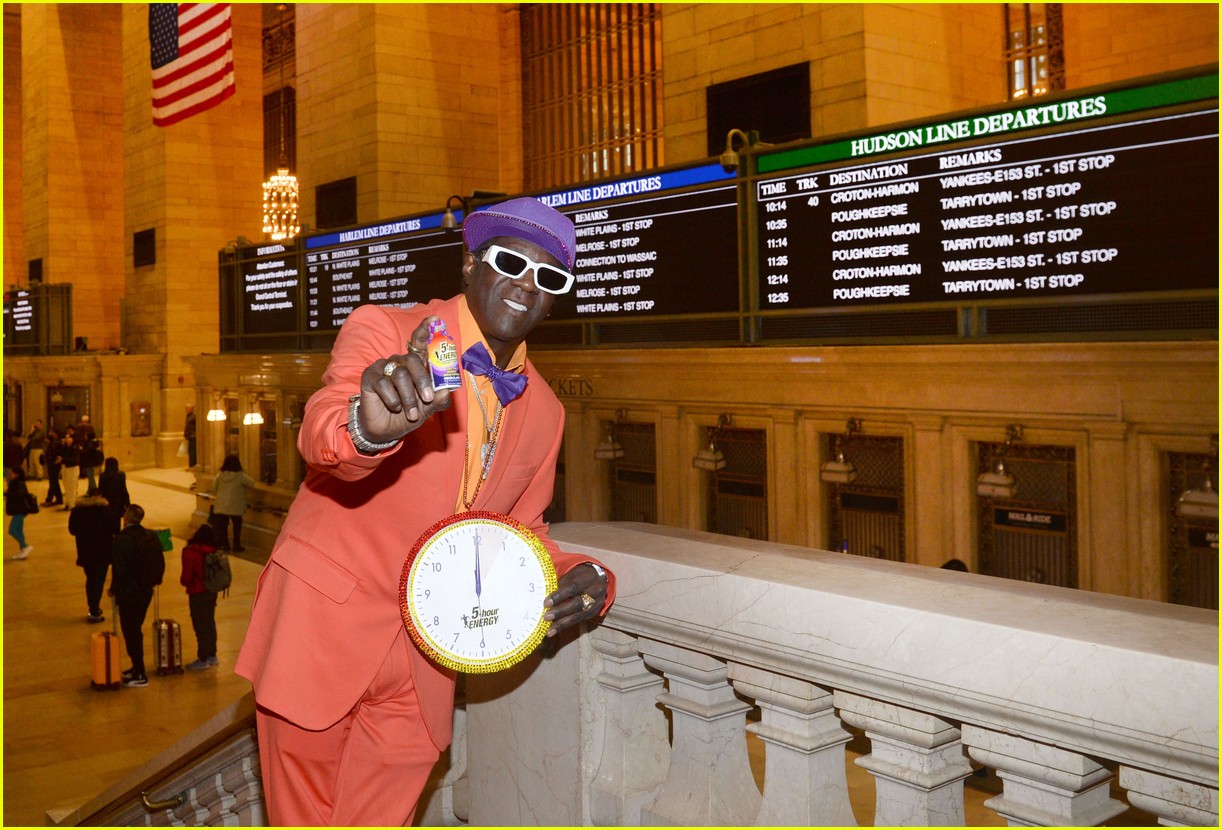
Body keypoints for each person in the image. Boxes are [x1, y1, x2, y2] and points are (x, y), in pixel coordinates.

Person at [235, 197, 616, 826]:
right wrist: (369, 426)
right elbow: (322, 433)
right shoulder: (385, 330)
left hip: (427, 664)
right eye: (510, 261)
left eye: (549, 278)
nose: (527, 285)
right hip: (321, 630)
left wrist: (590, 576)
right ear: (469, 264)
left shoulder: (546, 411)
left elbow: (519, 534)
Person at [109, 503, 163, 688]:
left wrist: (114, 589)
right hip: (146, 590)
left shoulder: (123, 539)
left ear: (126, 518)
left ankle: (139, 672)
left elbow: (119, 569)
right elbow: (160, 561)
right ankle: (135, 667)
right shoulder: (150, 536)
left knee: (131, 632)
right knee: (135, 628)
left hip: (129, 593)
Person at [68, 487, 115, 622]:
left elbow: (72, 530)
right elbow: (113, 527)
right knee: (98, 581)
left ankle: (93, 607)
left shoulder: (78, 510)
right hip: (103, 551)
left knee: (91, 579)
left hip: (85, 551)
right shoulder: (105, 510)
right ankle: (94, 610)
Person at [180, 523, 221, 671]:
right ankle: (212, 655)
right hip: (211, 591)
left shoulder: (190, 552)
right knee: (209, 622)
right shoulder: (214, 551)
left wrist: (185, 583)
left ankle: (202, 658)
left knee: (200, 625)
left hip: (197, 592)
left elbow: (186, 577)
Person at [210, 454, 255, 552]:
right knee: (237, 526)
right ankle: (236, 544)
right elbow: (251, 483)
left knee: (223, 527)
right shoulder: (240, 476)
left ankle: (225, 545)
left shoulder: (220, 475)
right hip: (235, 506)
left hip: (221, 505)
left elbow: (213, 487)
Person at [5, 466, 34, 560]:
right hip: (19, 510)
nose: (9, 475)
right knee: (19, 530)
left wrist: (7, 494)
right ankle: (22, 550)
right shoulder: (17, 483)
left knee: (12, 530)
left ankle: (25, 546)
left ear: (16, 474)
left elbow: (18, 496)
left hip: (20, 510)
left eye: (11, 473)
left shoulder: (17, 483)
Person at [97, 457, 131, 535]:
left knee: (107, 527)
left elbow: (101, 491)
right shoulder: (120, 475)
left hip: (107, 504)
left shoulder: (102, 476)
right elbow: (124, 490)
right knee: (117, 526)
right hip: (118, 504)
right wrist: (127, 504)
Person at [56, 432, 81, 511]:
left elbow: (74, 460)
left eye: (69, 438)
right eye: (66, 438)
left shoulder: (75, 448)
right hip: (66, 468)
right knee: (67, 487)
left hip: (73, 469)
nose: (67, 440)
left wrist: (63, 460)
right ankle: (67, 503)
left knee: (72, 487)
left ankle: (72, 504)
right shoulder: (65, 448)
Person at [41, 430, 63, 507]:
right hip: (51, 463)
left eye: (51, 433)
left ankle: (49, 499)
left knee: (53, 482)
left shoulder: (57, 443)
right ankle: (59, 498)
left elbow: (57, 453)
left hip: (55, 464)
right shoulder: (52, 442)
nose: (49, 434)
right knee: (54, 481)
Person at [184, 404, 197, 469]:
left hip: (193, 436)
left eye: (187, 408)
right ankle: (191, 465)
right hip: (189, 436)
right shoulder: (188, 416)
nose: (186, 410)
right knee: (190, 451)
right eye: (186, 408)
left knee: (193, 451)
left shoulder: (194, 416)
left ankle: (193, 465)